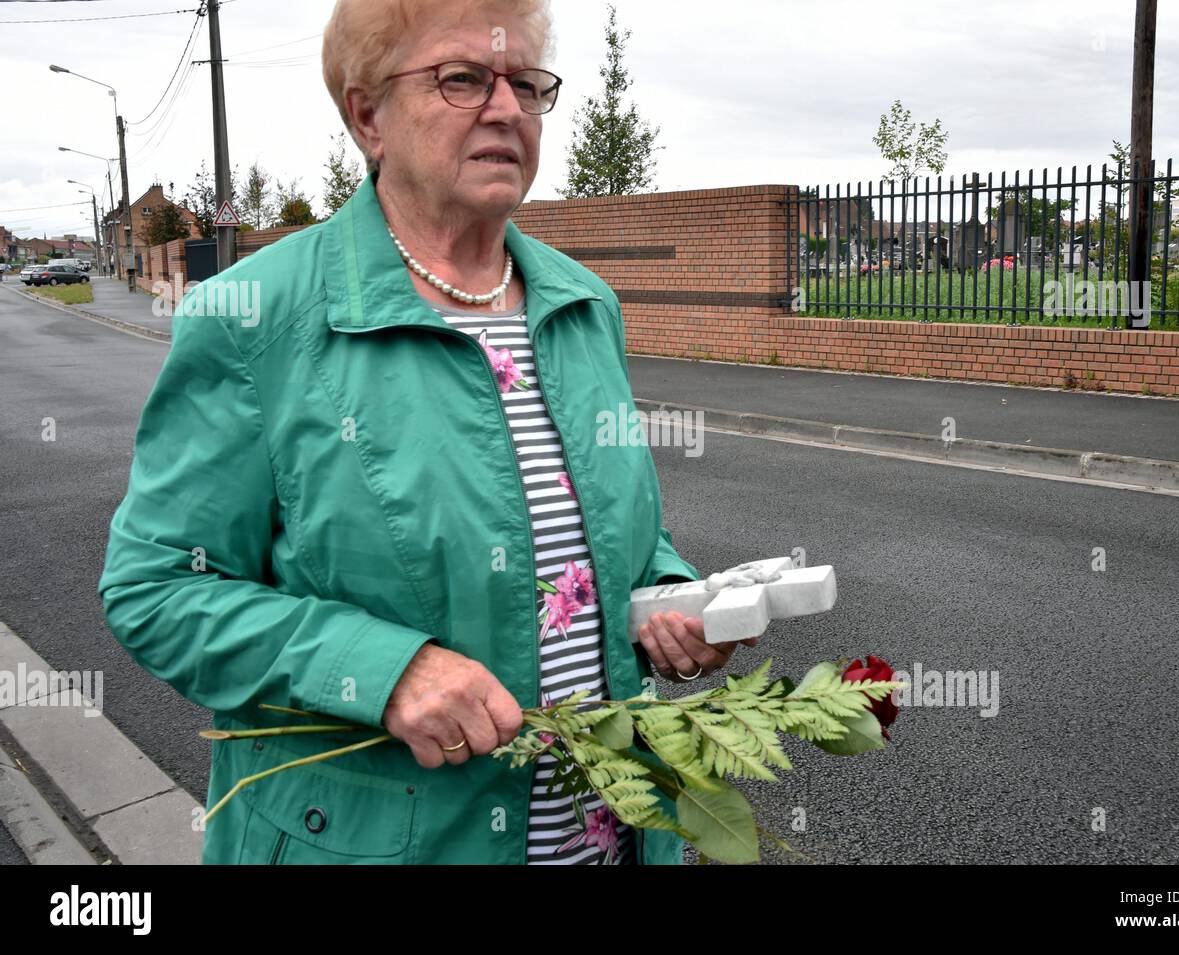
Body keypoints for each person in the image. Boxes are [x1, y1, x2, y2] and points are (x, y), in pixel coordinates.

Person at [98, 0, 757, 865]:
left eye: (524, 81)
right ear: (367, 113)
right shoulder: (255, 316)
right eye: (462, 78)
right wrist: (383, 669)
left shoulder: (584, 304)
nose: (506, 108)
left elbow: (612, 540)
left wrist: (668, 600)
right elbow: (157, 588)